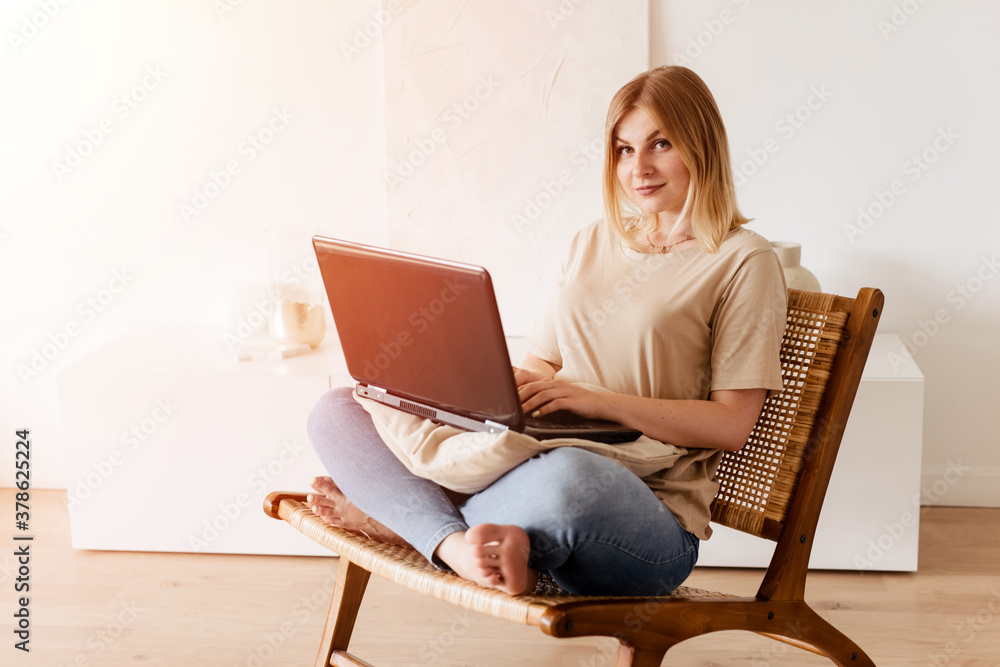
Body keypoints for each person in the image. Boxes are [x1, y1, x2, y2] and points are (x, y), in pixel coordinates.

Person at [305, 66, 787, 597]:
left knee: (570, 480)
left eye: (660, 144)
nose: (639, 167)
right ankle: (455, 545)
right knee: (343, 409)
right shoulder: (594, 241)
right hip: (545, 453)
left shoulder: (745, 261)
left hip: (642, 506)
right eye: (623, 149)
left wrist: (599, 403)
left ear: (701, 145)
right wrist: (473, 401)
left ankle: (408, 521)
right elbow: (540, 367)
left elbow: (732, 423)